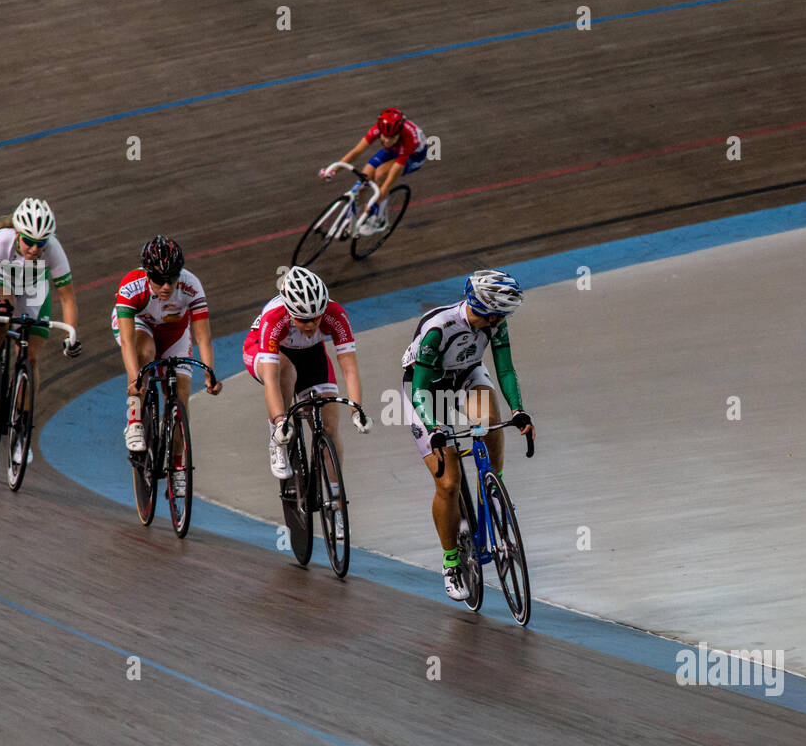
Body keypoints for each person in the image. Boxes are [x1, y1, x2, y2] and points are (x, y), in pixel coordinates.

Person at [400, 269, 535, 601]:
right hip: (426, 385)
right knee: (448, 483)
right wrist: (435, 430)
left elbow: (504, 369)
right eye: (500, 314)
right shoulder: (438, 330)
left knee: (489, 419)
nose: (503, 320)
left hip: (466, 372)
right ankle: (450, 561)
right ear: (486, 309)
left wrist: (518, 410)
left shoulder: (494, 325)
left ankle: (494, 487)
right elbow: (420, 390)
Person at [242, 266, 371, 537]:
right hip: (266, 353)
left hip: (311, 356)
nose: (312, 325)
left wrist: (357, 407)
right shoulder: (274, 318)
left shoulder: (335, 315)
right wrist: (279, 422)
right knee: (285, 371)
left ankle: (336, 502)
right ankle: (276, 440)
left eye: (316, 317)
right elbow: (271, 381)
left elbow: (349, 366)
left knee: (330, 425)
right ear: (290, 312)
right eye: (303, 320)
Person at [0, 198, 81, 462]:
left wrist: (71, 335)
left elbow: (67, 298)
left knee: (31, 359)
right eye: (28, 242)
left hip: (34, 293)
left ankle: (21, 432)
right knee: (0, 310)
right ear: (17, 234)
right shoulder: (1, 242)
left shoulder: (54, 249)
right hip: (4, 283)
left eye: (40, 244)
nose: (34, 249)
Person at [114, 236, 221, 460]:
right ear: (146, 273)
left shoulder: (191, 285)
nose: (165, 286)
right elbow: (127, 341)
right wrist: (135, 379)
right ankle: (134, 421)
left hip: (175, 333)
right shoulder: (130, 286)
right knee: (145, 352)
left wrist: (209, 372)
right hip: (140, 325)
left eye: (171, 279)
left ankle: (178, 465)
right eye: (158, 279)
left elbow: (203, 338)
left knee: (180, 395)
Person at [319, 107, 427, 234]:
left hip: (413, 157)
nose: (386, 141)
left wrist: (376, 202)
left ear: (399, 134)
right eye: (384, 137)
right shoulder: (379, 129)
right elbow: (357, 151)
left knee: (381, 174)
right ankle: (355, 216)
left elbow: (391, 179)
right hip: (394, 149)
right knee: (366, 175)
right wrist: (334, 170)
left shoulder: (408, 138)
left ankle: (378, 218)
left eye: (391, 137)